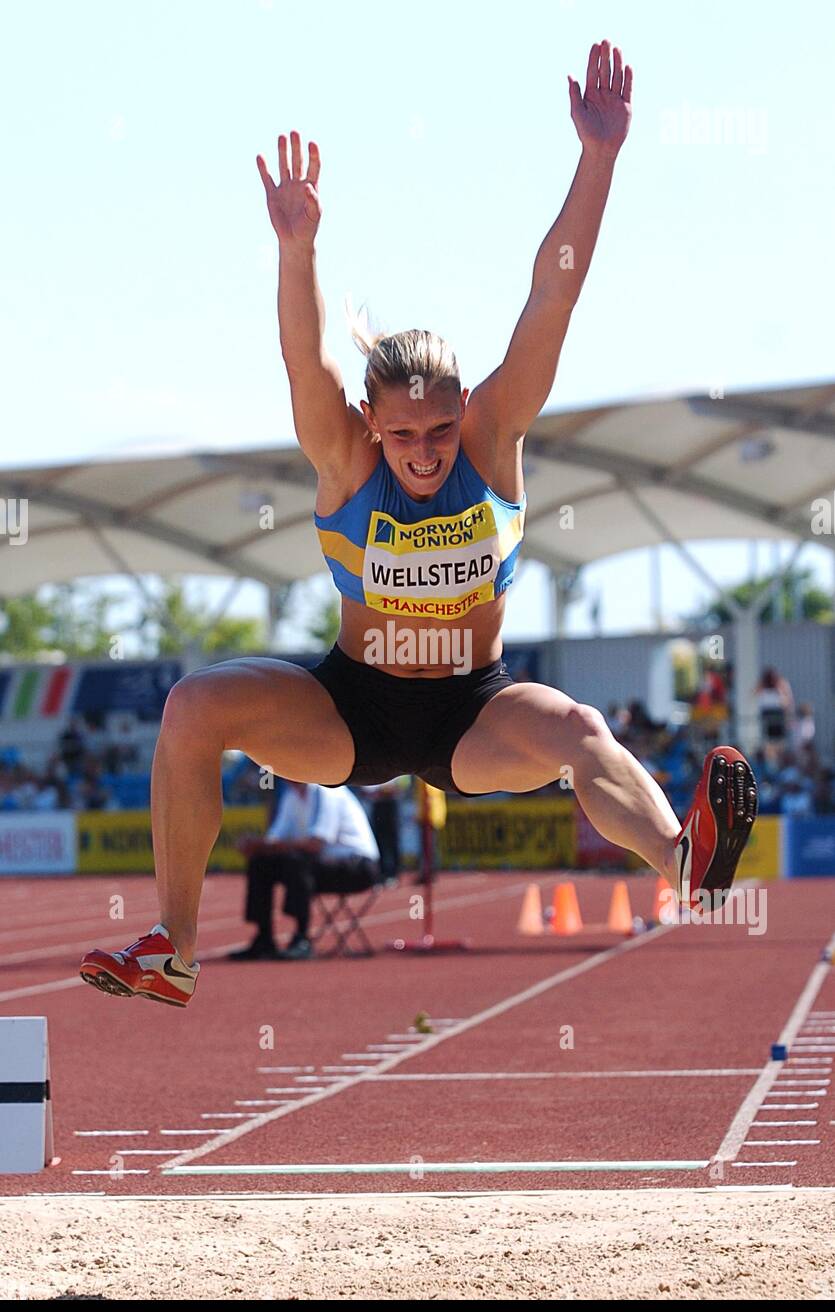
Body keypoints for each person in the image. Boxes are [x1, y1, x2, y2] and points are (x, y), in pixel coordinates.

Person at [80, 40, 758, 1008]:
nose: (427, 452)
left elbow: (551, 295)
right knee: (192, 706)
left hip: (474, 711)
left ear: (466, 409)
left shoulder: (494, 435)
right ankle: (174, 945)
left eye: (440, 428)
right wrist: (296, 250)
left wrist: (597, 157)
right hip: (349, 705)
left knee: (577, 726)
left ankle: (682, 863)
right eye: (403, 434)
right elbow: (303, 361)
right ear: (371, 425)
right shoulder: (344, 456)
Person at [229, 781, 381, 961]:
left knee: (297, 864)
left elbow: (315, 844)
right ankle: (263, 938)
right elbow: (275, 839)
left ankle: (302, 938)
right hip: (320, 866)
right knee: (261, 863)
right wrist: (257, 848)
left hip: (358, 868)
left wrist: (263, 845)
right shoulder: (291, 796)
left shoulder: (327, 792)